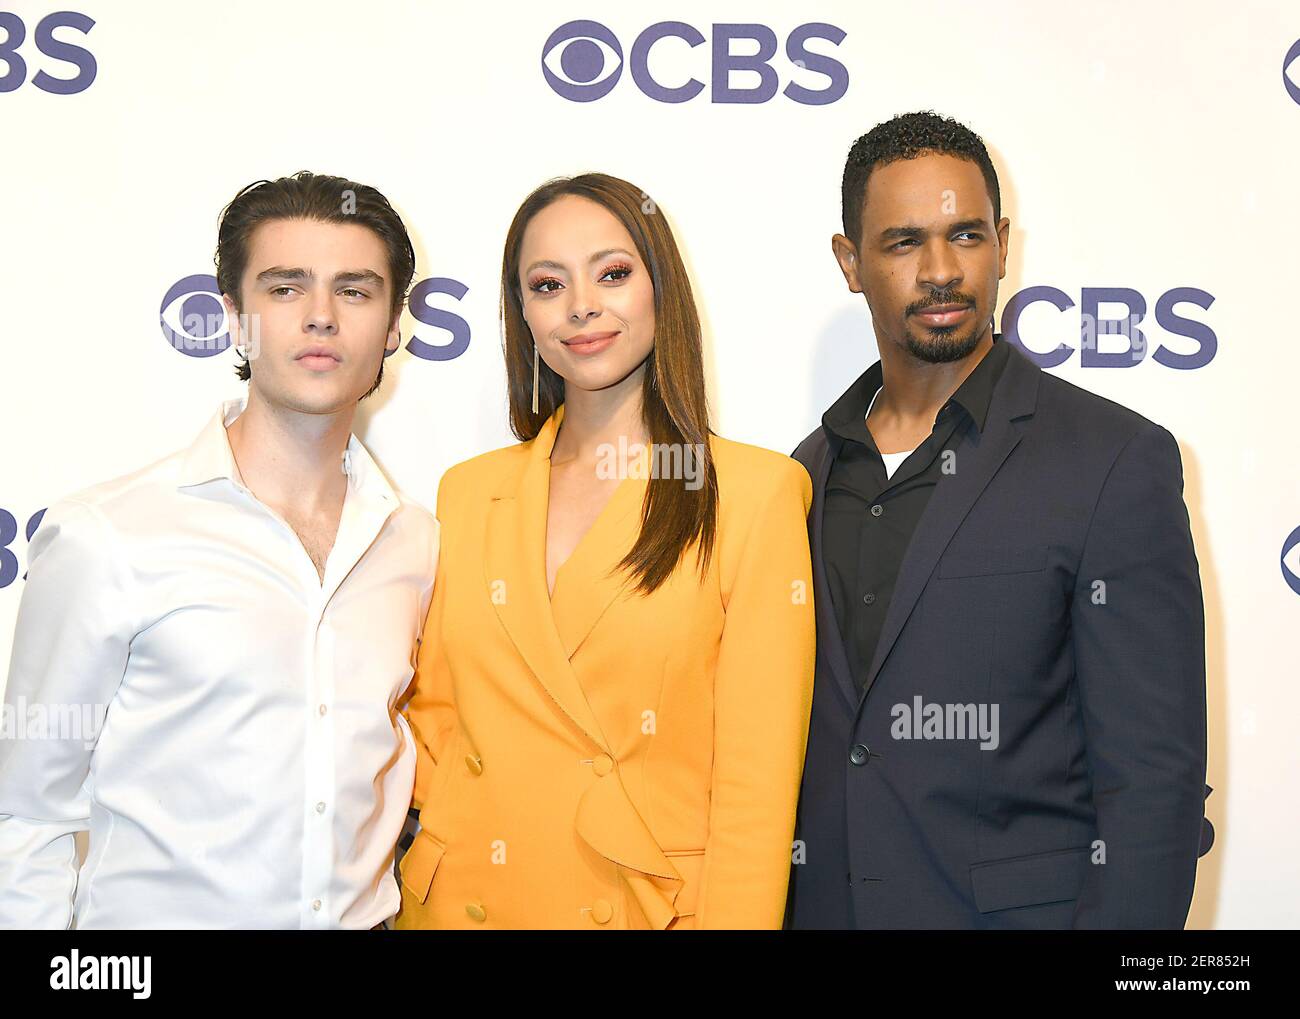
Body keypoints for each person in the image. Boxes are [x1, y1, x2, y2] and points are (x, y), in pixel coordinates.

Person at [786, 112, 1207, 929]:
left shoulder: (1113, 462)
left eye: (967, 235)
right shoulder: (801, 475)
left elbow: (1153, 787)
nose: (942, 270)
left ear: (1003, 246)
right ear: (850, 262)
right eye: (905, 242)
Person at [0, 171, 439, 929]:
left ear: (393, 328)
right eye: (285, 288)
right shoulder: (109, 534)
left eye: (356, 291)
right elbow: (26, 815)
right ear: (235, 318)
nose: (322, 318)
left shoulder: (414, 542)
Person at [394, 172, 815, 929]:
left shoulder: (755, 493)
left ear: (662, 289)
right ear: (522, 312)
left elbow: (756, 789)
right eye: (548, 284)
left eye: (613, 274)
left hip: (641, 906)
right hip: (463, 902)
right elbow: (439, 723)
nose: (582, 305)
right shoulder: (467, 492)